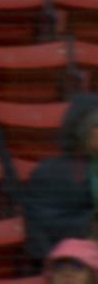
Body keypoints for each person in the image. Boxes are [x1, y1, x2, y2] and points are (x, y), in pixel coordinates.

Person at [22, 94, 98, 261]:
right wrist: (90, 224)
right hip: (70, 270)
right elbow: (40, 230)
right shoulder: (50, 173)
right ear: (82, 131)